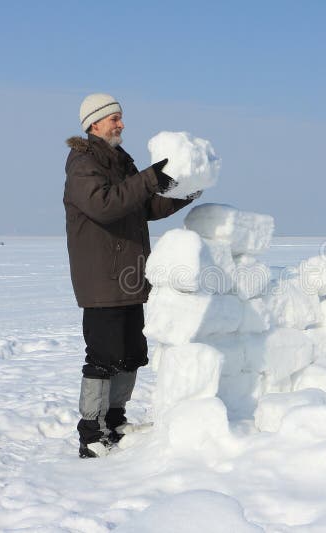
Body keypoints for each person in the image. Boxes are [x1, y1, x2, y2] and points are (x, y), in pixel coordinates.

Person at [64, 93, 200, 458]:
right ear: (94, 123)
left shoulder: (121, 161)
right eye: (114, 119)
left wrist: (185, 191)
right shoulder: (83, 163)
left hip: (129, 276)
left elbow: (144, 206)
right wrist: (149, 177)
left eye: (120, 117)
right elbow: (105, 205)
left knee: (130, 353)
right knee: (103, 356)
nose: (121, 124)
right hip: (101, 279)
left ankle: (115, 420)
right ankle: (91, 433)